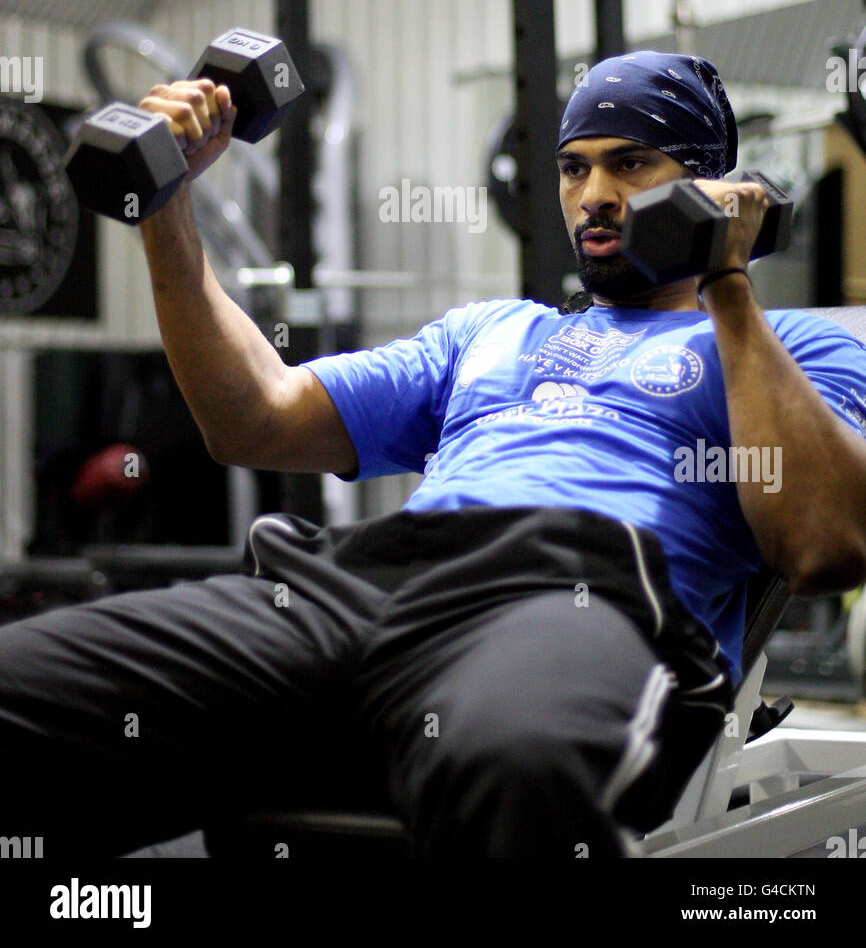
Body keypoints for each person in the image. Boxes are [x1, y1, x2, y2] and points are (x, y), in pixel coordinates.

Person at [2, 50, 866, 860]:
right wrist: (166, 209)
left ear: (712, 186)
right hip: (354, 590)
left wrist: (729, 285)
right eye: (575, 168)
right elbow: (254, 420)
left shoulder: (786, 349)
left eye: (632, 165)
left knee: (520, 768)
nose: (594, 194)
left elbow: (825, 542)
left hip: (572, 599)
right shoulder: (490, 332)